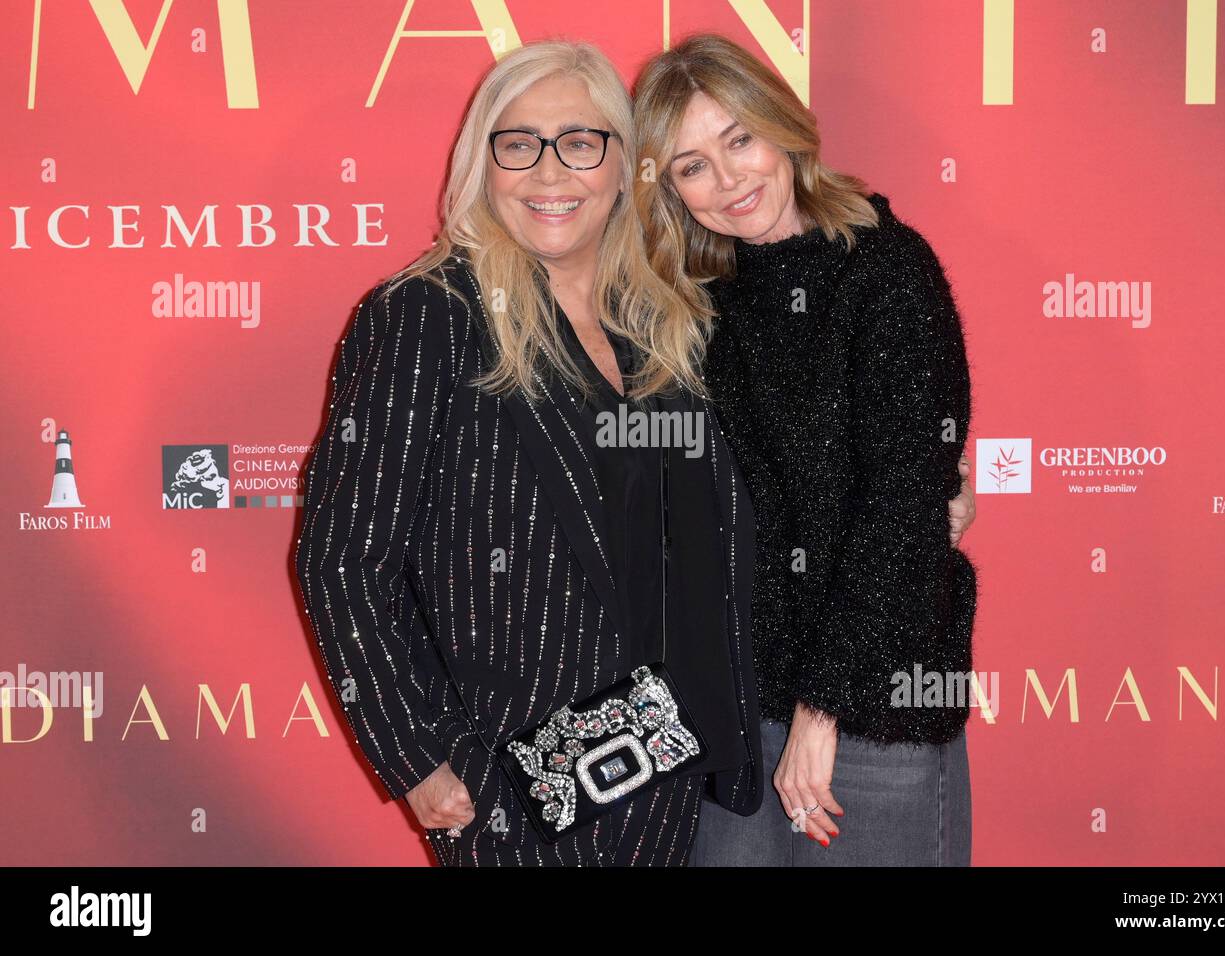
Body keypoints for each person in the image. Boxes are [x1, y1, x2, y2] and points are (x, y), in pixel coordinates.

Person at [294, 40, 763, 866]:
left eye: (580, 143)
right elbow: (342, 559)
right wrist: (419, 759)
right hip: (519, 781)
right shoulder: (427, 315)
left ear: (624, 168)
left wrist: (919, 477)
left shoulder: (663, 319)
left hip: (679, 757)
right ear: (484, 162)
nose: (551, 174)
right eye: (520, 144)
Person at [633, 33, 980, 866]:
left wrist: (822, 711)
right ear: (670, 189)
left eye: (738, 139)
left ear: (780, 126)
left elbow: (901, 508)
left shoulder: (886, 270)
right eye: (691, 166)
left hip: (875, 705)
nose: (728, 180)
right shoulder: (691, 313)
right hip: (735, 710)